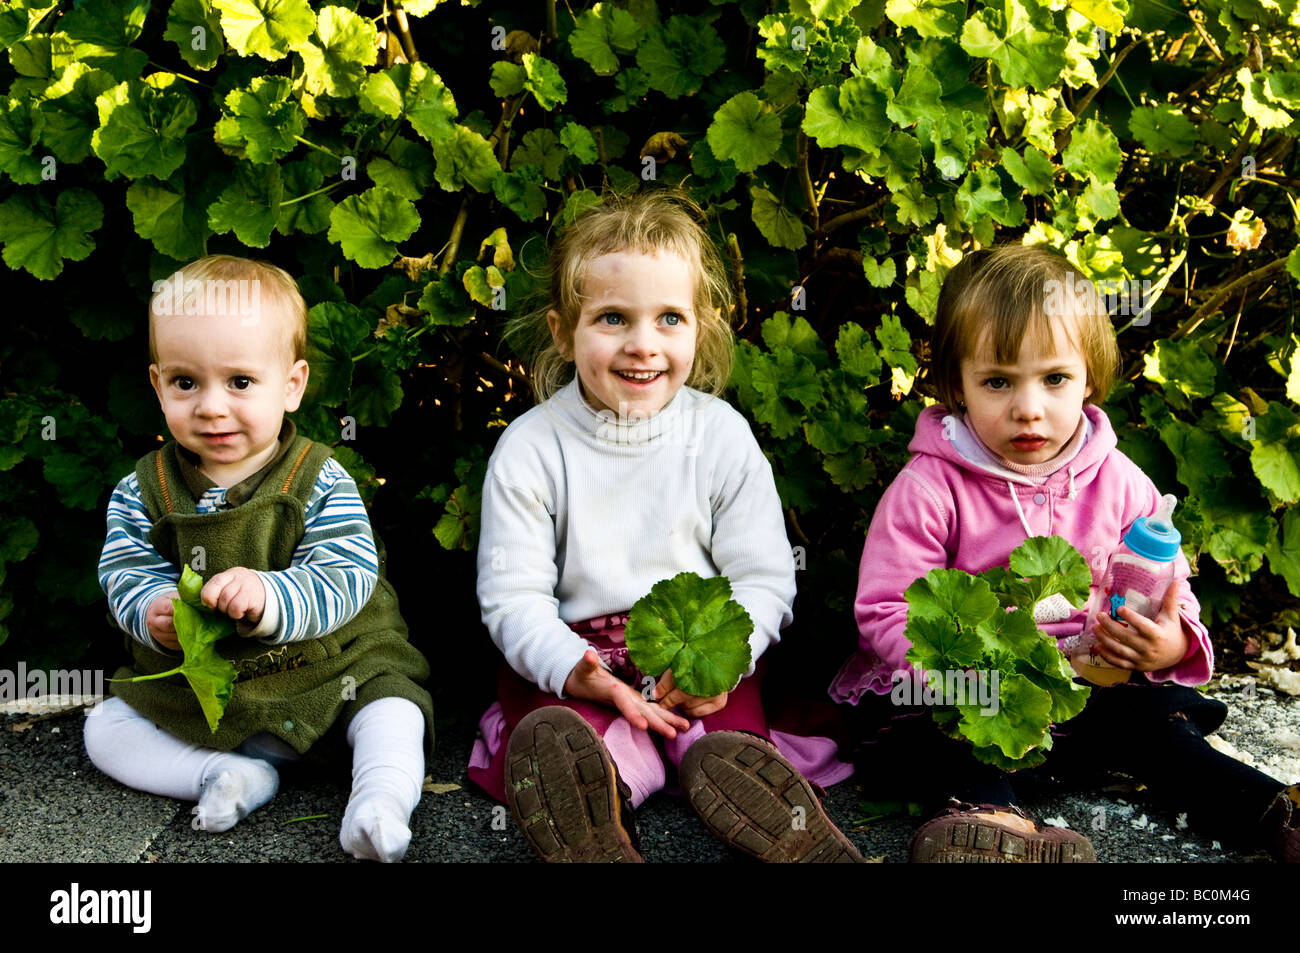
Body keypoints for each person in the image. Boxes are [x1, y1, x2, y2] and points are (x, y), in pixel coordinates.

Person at [830, 243, 1299, 863]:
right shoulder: (929, 487)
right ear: (955, 386)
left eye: (1054, 379)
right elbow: (888, 610)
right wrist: (959, 680)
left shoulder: (1123, 481)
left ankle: (1269, 811)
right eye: (997, 381)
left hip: (1084, 696)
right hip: (964, 696)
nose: (1029, 408)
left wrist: (1173, 641)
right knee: (937, 731)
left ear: (1088, 377)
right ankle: (988, 824)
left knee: (1159, 726)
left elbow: (1168, 586)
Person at [468, 189, 860, 862]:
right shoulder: (533, 448)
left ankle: (763, 805)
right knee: (567, 739)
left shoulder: (720, 437)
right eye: (614, 318)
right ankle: (598, 813)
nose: (642, 345)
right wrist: (574, 668)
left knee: (724, 735)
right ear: (563, 332)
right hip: (582, 659)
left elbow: (764, 578)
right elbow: (513, 598)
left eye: (669, 318)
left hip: (698, 650)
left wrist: (721, 661)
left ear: (700, 330)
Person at [87, 255, 434, 863]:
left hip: (334, 678)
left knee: (395, 711)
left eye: (240, 382)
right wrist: (151, 609)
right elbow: (122, 571)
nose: (212, 407)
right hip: (212, 702)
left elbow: (350, 574)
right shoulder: (141, 490)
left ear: (292, 385)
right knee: (106, 729)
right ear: (156, 384)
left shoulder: (319, 477)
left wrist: (272, 596)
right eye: (186, 383)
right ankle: (224, 775)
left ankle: (379, 801)